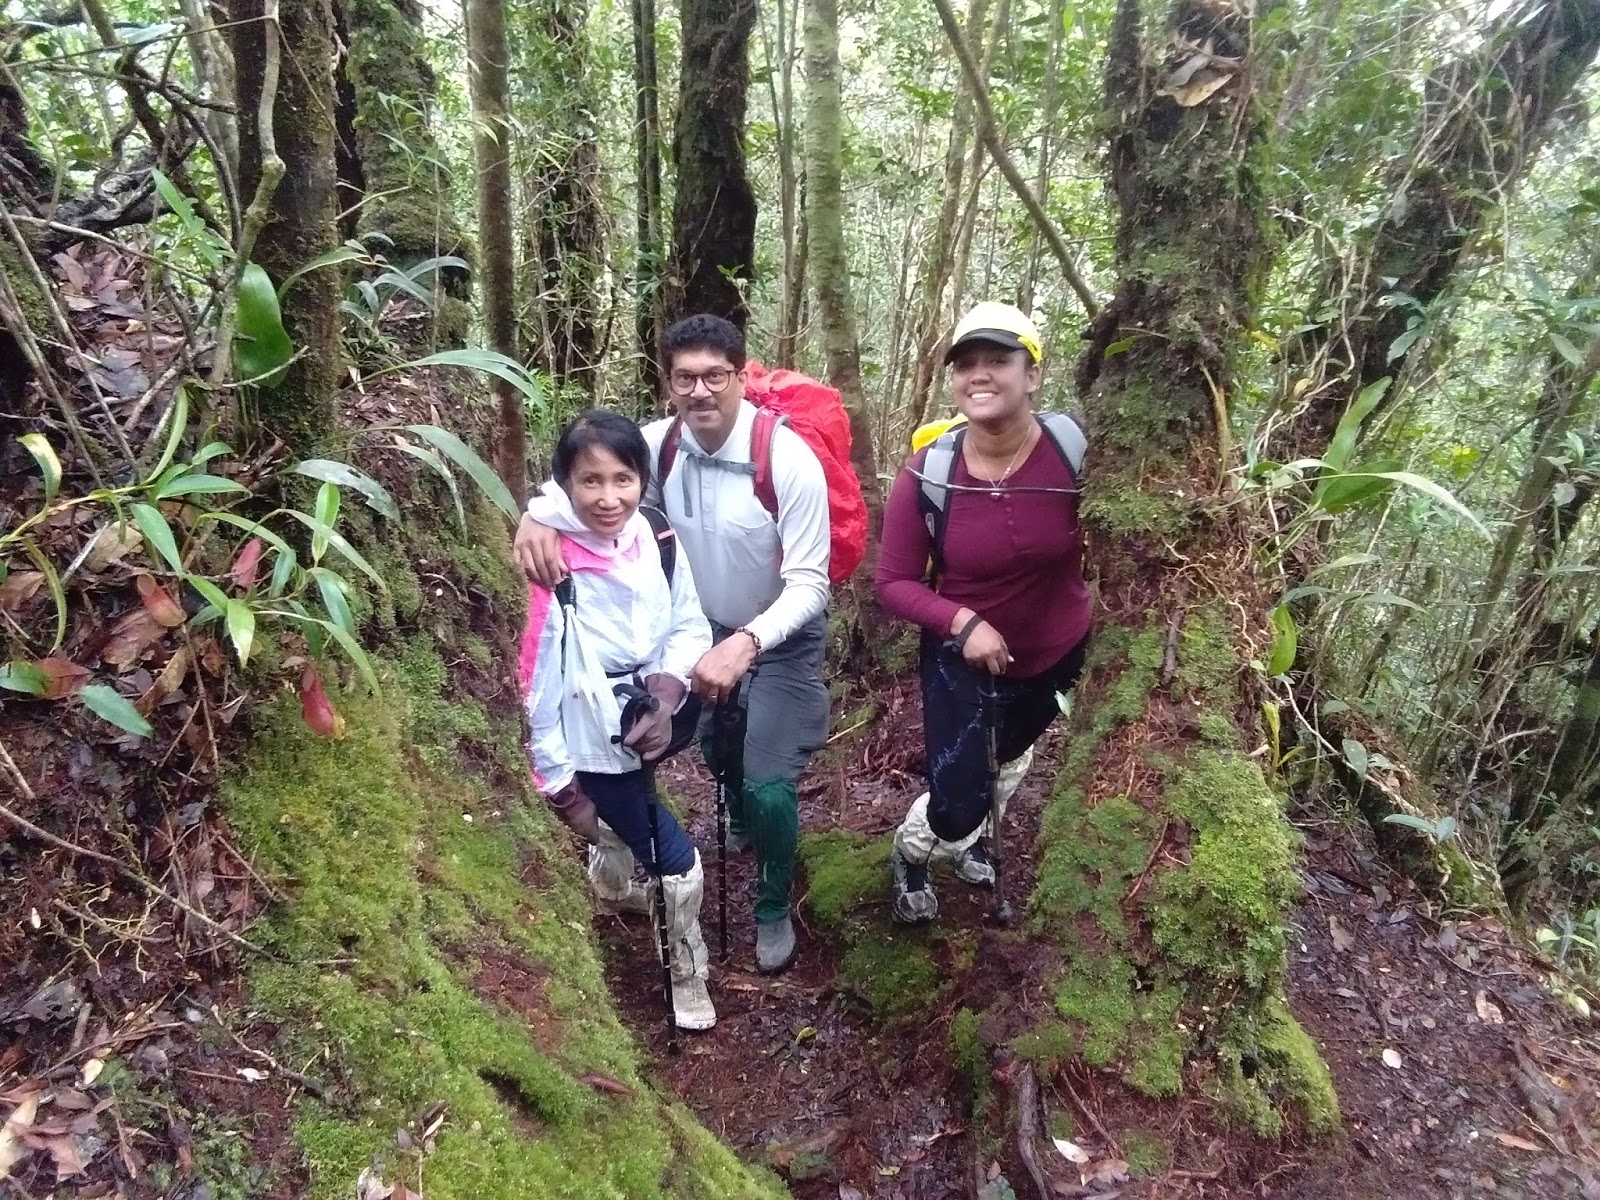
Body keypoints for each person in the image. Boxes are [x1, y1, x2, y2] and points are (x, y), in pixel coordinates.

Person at [516, 314, 832, 974]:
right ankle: (715, 820)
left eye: (716, 375)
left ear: (742, 377)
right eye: (685, 377)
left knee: (769, 779)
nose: (701, 391)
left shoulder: (789, 461)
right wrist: (536, 515)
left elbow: (810, 582)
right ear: (668, 383)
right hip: (692, 631)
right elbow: (596, 480)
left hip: (779, 633)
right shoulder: (661, 447)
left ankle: (771, 901)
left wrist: (746, 642)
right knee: (707, 745)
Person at [876, 302, 1092, 923]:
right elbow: (892, 583)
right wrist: (964, 623)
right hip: (960, 661)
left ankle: (966, 839)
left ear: (1032, 375)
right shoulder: (930, 472)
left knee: (1006, 756)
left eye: (998, 360)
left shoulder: (1074, 452)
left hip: (1054, 653)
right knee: (955, 800)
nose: (981, 374)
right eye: (967, 364)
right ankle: (915, 851)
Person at [518, 409, 717, 1029]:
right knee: (678, 863)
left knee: (634, 809)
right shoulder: (551, 563)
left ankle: (610, 882)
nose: (609, 497)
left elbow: (688, 622)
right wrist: (560, 788)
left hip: (651, 708)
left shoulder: (656, 535)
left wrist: (665, 692)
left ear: (642, 480)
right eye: (590, 482)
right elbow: (536, 682)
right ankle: (687, 970)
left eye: (623, 479)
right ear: (565, 484)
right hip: (587, 732)